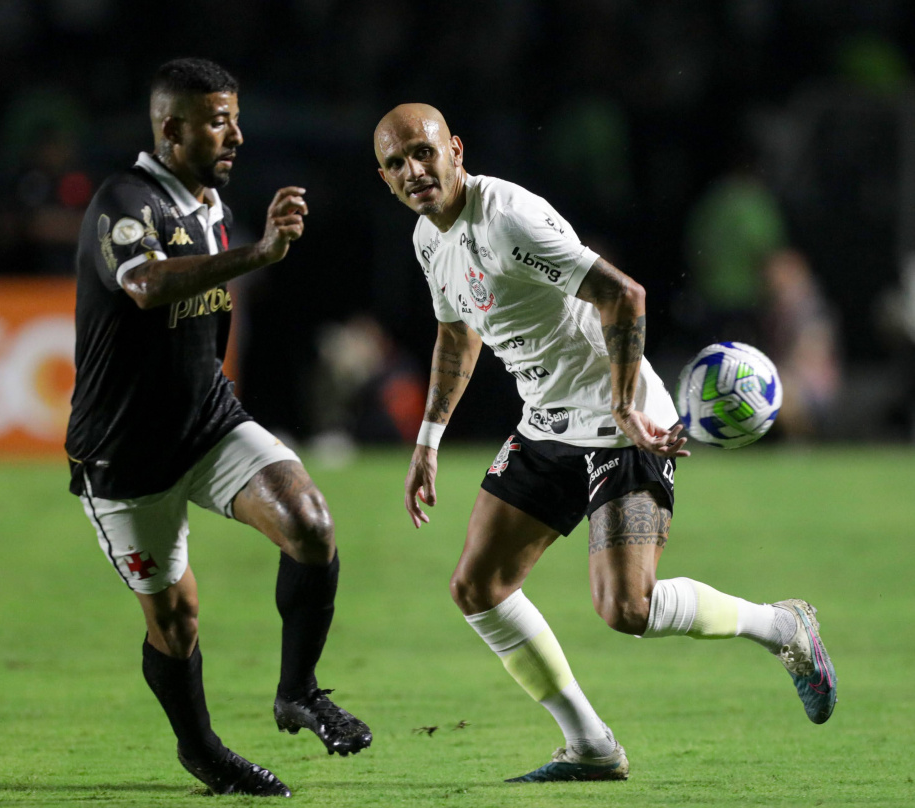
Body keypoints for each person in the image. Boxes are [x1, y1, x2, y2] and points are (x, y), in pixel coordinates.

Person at [373, 104, 837, 783]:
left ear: (455, 150)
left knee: (626, 609)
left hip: (623, 421)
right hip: (546, 421)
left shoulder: (506, 217)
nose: (413, 171)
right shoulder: (427, 238)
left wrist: (621, 401)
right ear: (383, 178)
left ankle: (784, 628)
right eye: (395, 163)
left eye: (422, 152)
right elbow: (455, 333)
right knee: (477, 586)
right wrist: (429, 438)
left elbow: (625, 295)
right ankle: (589, 745)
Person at [66, 58, 371, 798]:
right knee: (176, 619)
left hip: (208, 423)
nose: (233, 134)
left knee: (310, 522)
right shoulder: (125, 199)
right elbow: (143, 286)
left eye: (234, 118)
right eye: (215, 121)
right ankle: (201, 749)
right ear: (170, 129)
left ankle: (298, 691)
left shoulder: (206, 201)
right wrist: (259, 254)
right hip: (123, 454)